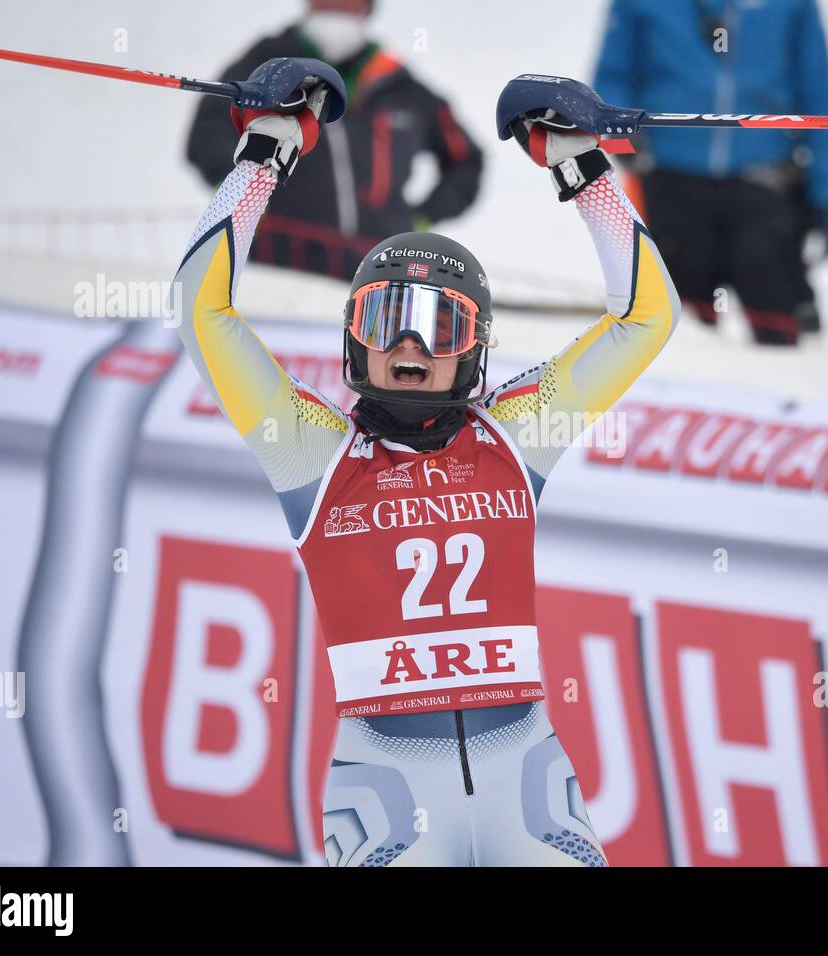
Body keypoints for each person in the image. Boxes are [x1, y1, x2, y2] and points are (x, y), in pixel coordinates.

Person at [173, 75, 678, 865]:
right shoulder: (313, 451)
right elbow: (201, 311)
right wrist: (264, 156)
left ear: (474, 351)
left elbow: (649, 316)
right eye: (387, 320)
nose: (409, 347)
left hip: (529, 784)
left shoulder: (515, 434)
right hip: (390, 797)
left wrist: (583, 167)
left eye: (439, 327)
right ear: (354, 340)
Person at [593, 0, 828, 344]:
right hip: (671, 183)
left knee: (782, 332)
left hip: (763, 187)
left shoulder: (794, 6)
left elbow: (819, 100)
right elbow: (612, 78)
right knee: (669, 338)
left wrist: (824, 199)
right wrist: (623, 136)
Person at [185, 0, 483, 280]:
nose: (336, 6)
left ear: (367, 7)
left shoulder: (403, 88)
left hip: (378, 273)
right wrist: (245, 198)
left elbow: (466, 159)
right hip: (278, 268)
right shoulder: (264, 69)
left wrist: (421, 219)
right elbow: (206, 135)